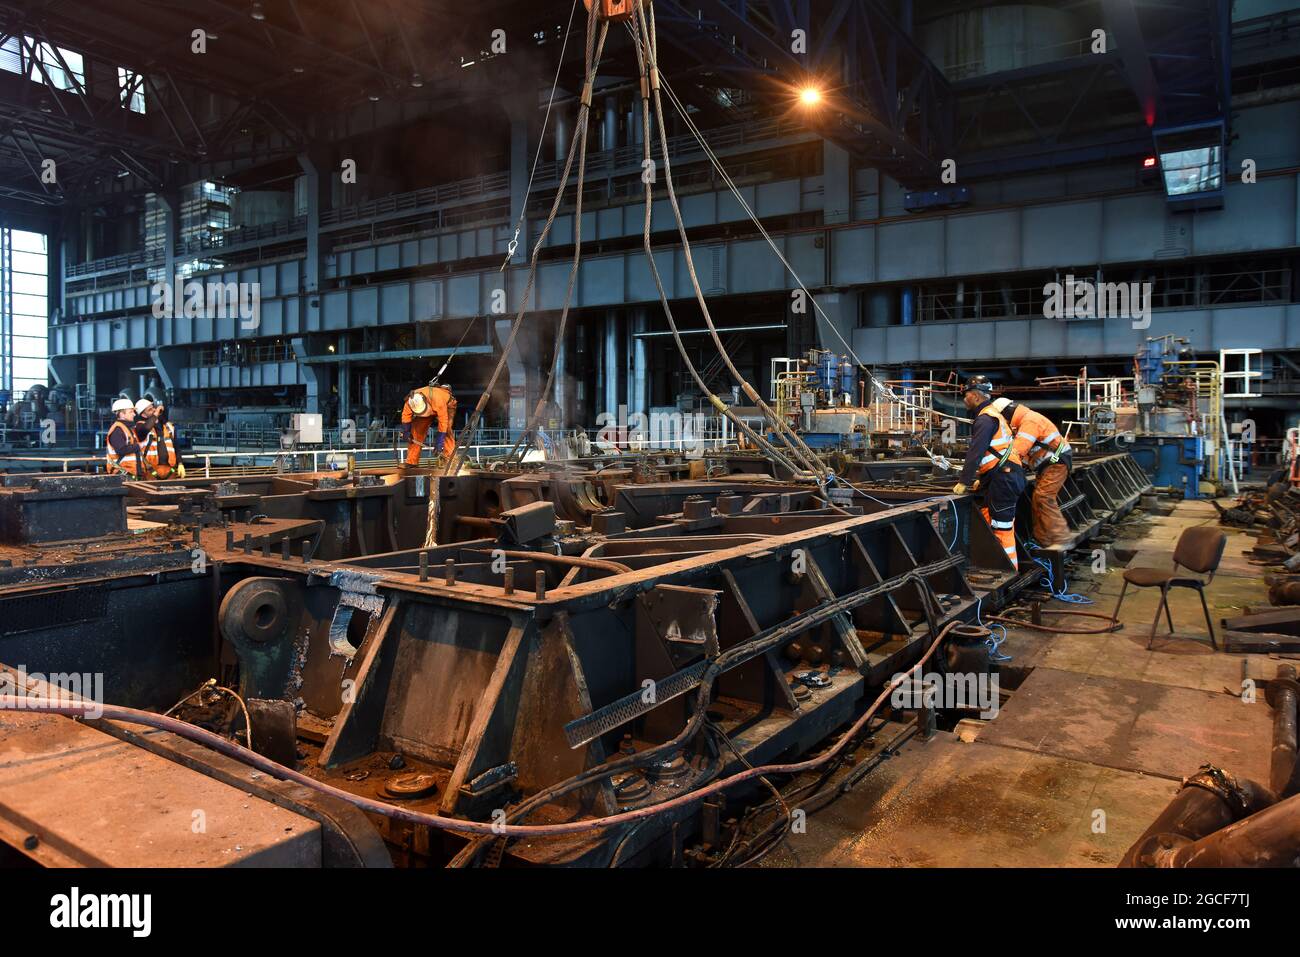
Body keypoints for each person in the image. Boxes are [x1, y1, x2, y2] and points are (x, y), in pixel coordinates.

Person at [952, 376, 1025, 570]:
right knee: (987, 520)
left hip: (1004, 480)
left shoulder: (985, 418)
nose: (964, 399)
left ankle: (1008, 572)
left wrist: (964, 481)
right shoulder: (992, 415)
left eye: (965, 395)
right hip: (1002, 477)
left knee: (1002, 528)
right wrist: (982, 481)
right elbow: (992, 454)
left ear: (975, 396)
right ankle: (989, 564)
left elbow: (976, 451)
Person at [991, 396, 1072, 546]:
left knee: (1043, 496)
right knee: (1037, 499)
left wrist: (999, 465)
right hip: (1047, 465)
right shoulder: (1023, 422)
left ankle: (1062, 538)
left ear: (1007, 412)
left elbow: (1019, 449)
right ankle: (1043, 540)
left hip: (1056, 462)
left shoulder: (1030, 421)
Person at [400, 379, 458, 467]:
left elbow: (443, 423)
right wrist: (407, 431)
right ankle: (411, 461)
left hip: (447, 405)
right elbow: (405, 416)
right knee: (416, 431)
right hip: (430, 405)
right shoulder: (411, 400)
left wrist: (439, 442)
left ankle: (450, 460)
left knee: (447, 431)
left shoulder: (438, 401)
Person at [104, 397, 146, 477]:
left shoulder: (128, 428)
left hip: (130, 475)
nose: (134, 414)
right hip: (122, 475)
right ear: (122, 414)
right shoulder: (117, 430)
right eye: (131, 412)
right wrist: (138, 446)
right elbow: (121, 449)